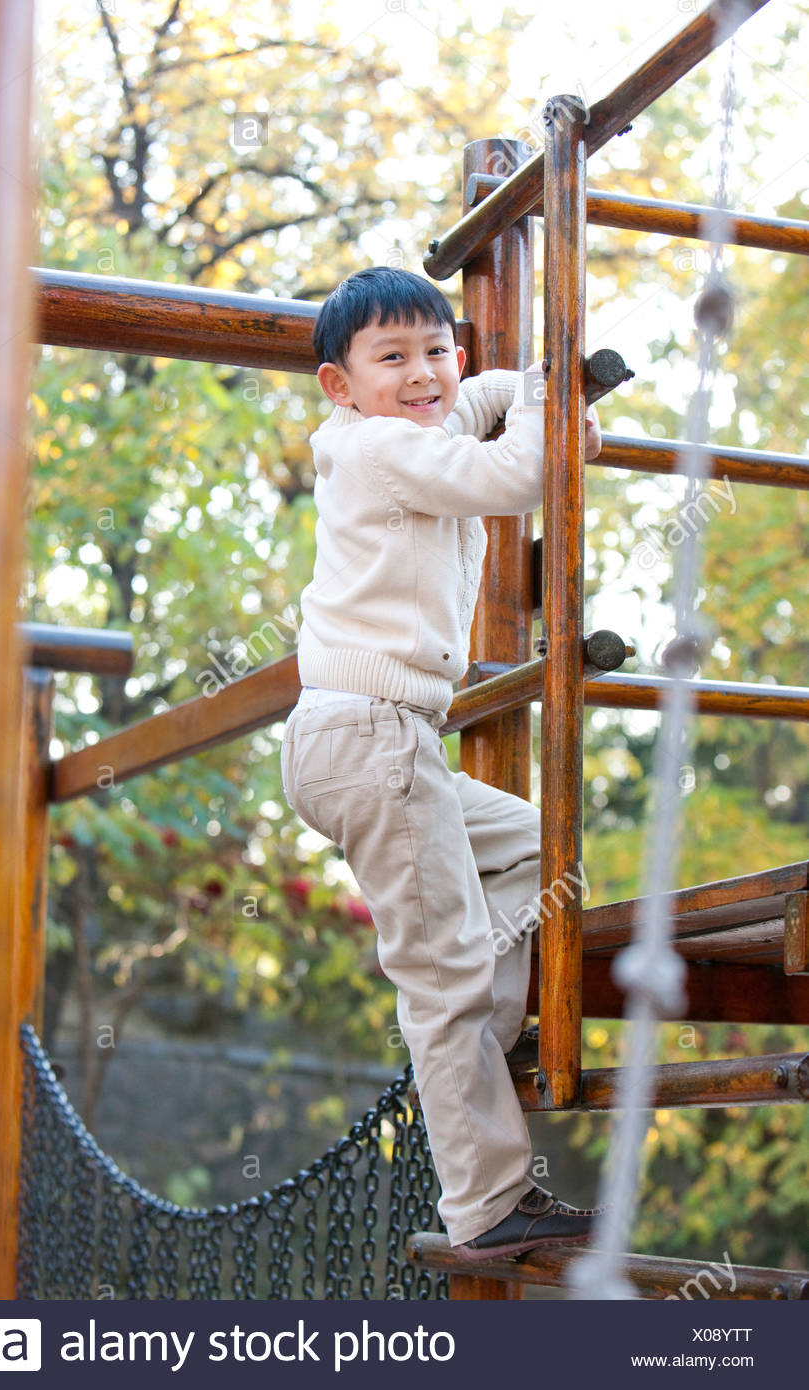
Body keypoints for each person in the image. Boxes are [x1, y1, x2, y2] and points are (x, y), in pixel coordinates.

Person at [280, 266, 605, 1262]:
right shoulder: (380, 448)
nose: (423, 375)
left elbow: (491, 399)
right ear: (340, 385)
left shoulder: (417, 420)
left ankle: (485, 1033)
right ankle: (486, 1201)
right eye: (392, 359)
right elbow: (515, 478)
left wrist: (537, 385)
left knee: (534, 854)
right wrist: (553, 405)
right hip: (369, 733)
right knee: (439, 971)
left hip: (373, 737)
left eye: (435, 350)